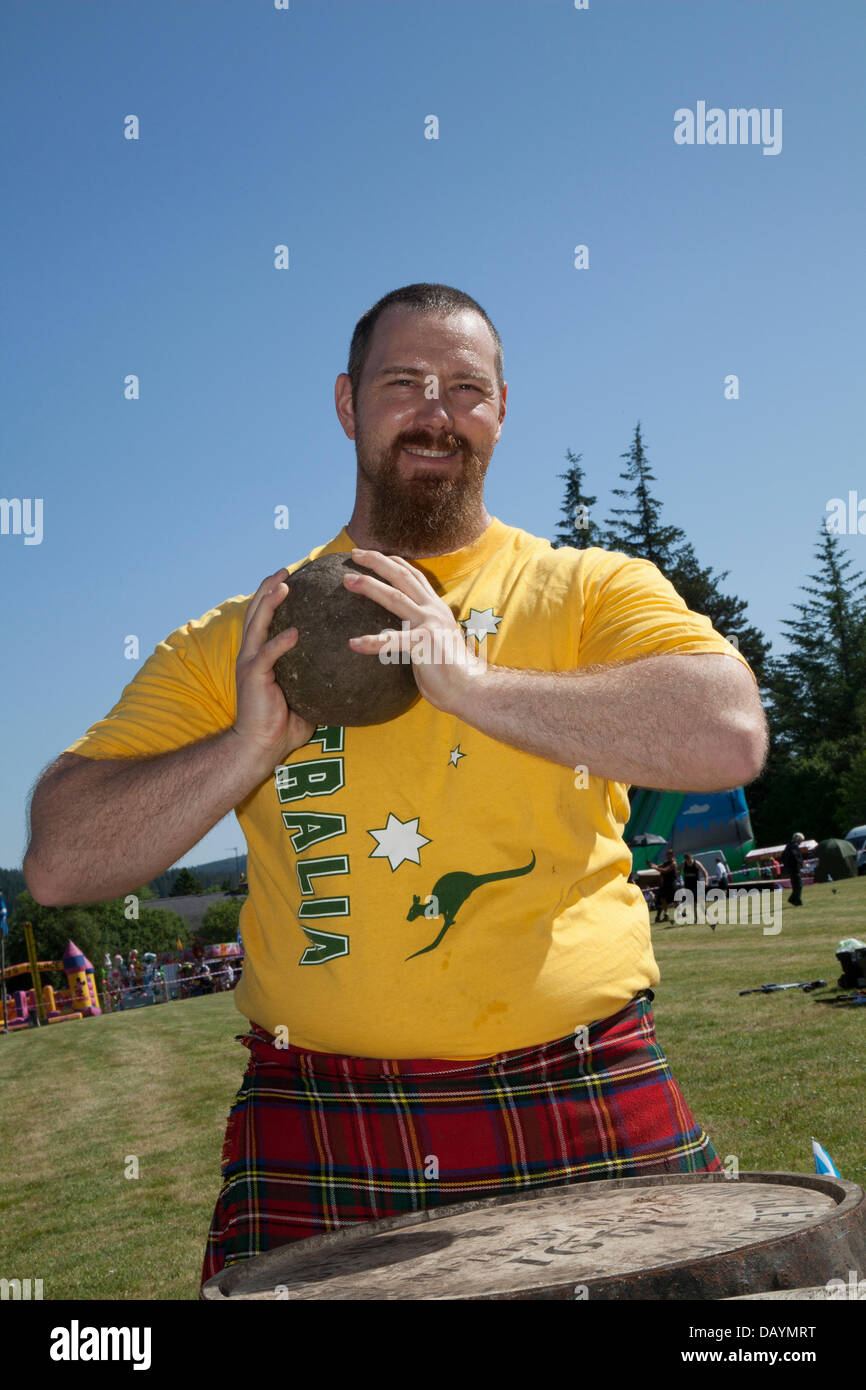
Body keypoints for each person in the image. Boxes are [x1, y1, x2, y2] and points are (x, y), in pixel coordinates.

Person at [21, 282, 767, 1288]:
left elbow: (724, 732)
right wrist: (246, 746)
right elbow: (63, 859)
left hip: (577, 1079)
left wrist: (469, 682)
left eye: (465, 387)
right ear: (345, 405)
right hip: (323, 1108)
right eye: (403, 383)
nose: (436, 410)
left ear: (501, 410)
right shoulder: (240, 637)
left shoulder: (589, 590)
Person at [680, 853, 709, 922]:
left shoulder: (697, 863)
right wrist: (680, 880)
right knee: (692, 903)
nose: (688, 862)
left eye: (689, 860)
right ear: (685, 860)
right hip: (688, 886)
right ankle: (696, 917)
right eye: (687, 860)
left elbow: (705, 872)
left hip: (697, 885)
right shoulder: (683, 864)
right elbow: (678, 871)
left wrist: (706, 881)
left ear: (691, 858)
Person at [653, 848, 679, 923]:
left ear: (671, 855)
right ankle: (666, 915)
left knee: (675, 900)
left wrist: (655, 867)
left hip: (672, 883)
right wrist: (651, 865)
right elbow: (658, 866)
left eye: (668, 854)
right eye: (666, 854)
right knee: (663, 899)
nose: (666, 855)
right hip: (665, 884)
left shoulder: (673, 863)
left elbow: (665, 870)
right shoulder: (665, 862)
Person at [782, 832, 805, 906]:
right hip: (794, 869)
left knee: (796, 885)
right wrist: (799, 864)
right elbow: (795, 857)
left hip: (790, 869)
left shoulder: (789, 845)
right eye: (801, 840)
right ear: (798, 839)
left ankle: (794, 900)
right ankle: (795, 900)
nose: (801, 842)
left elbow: (783, 856)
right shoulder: (794, 846)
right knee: (799, 885)